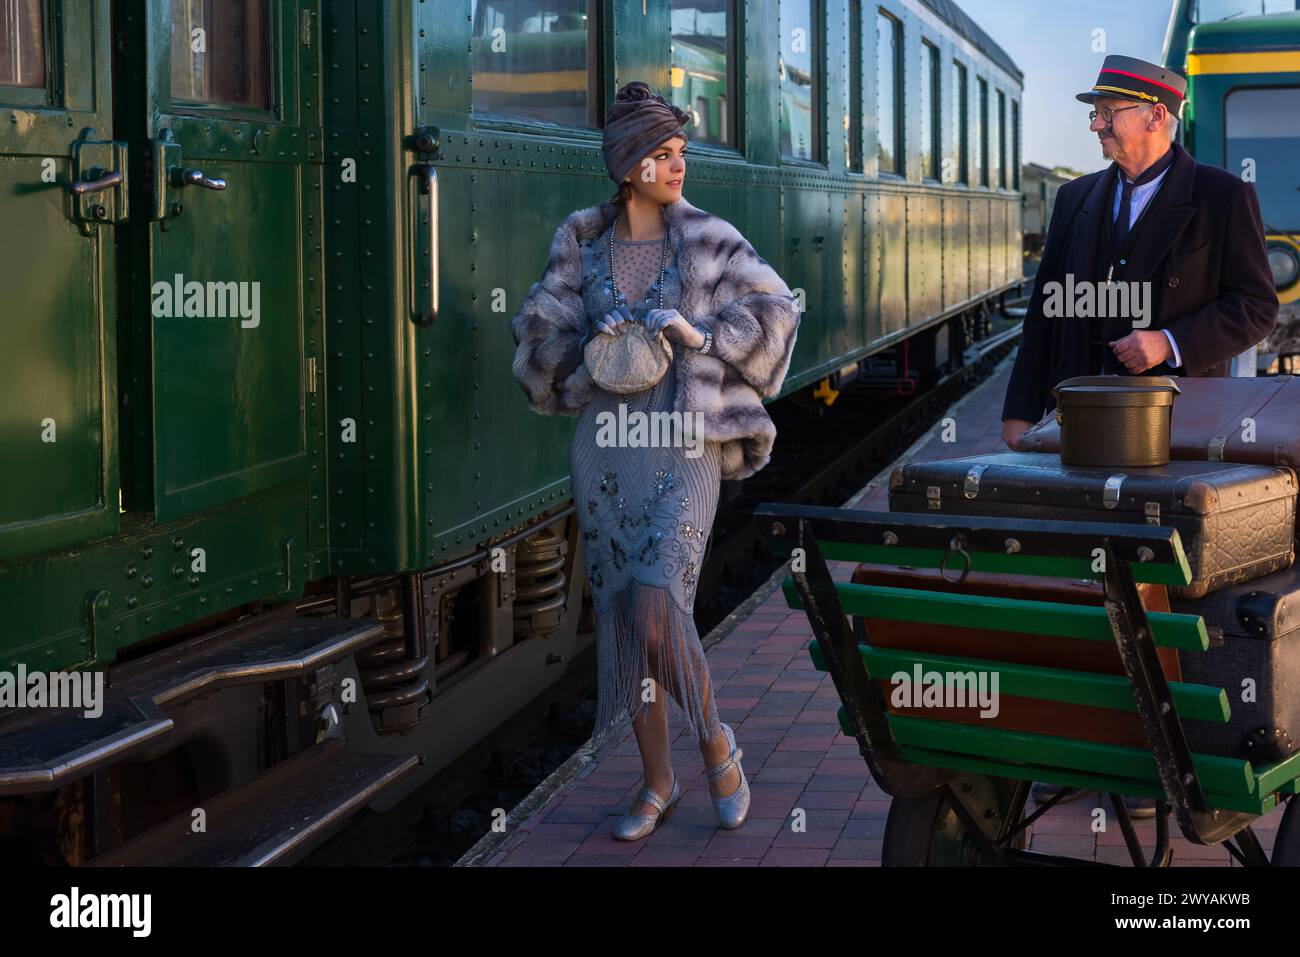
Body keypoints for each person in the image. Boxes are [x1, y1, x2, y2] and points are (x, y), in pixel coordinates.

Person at [510, 81, 801, 840]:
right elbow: (537, 342)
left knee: (656, 605)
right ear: (630, 165)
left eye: (680, 152)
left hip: (685, 443)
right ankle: (657, 781)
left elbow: (778, 311)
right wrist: (586, 346)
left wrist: (700, 334)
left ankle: (716, 744)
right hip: (605, 450)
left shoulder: (709, 236)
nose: (679, 166)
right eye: (664, 155)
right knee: (619, 619)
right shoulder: (582, 239)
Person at [1001, 54, 1278, 450]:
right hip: (1073, 417)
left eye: (1108, 112)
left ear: (1156, 116)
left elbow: (1255, 306)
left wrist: (1169, 341)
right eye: (1095, 115)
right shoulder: (1071, 198)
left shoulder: (1224, 197)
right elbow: (1045, 314)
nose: (1097, 125)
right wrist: (1020, 411)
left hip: (1175, 421)